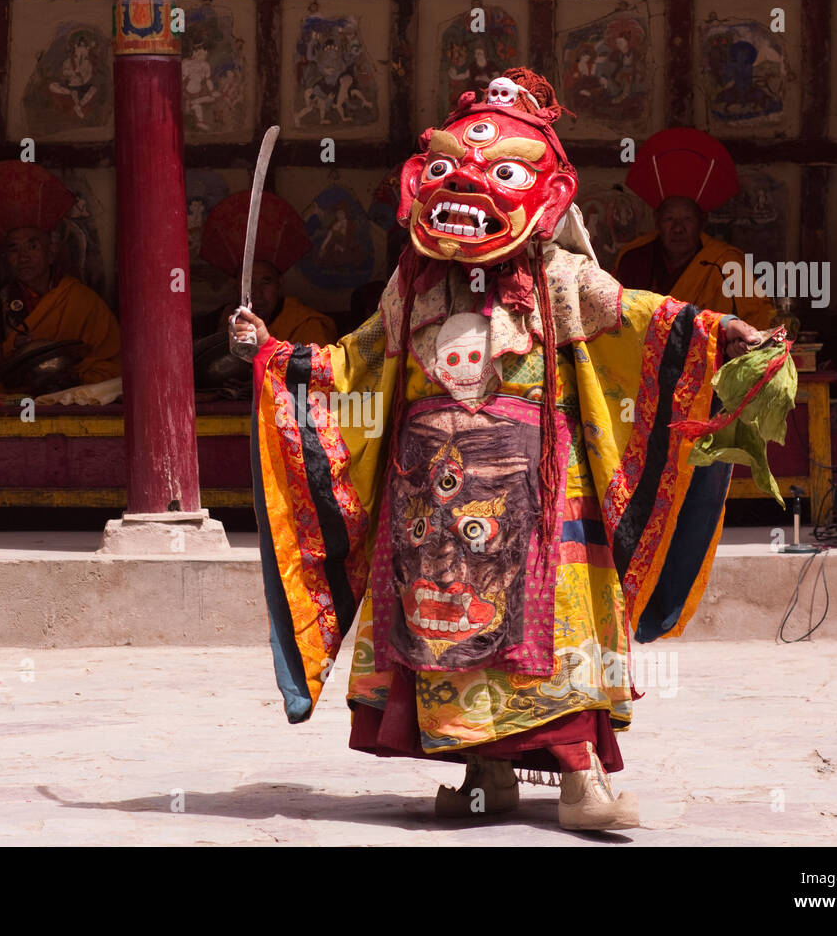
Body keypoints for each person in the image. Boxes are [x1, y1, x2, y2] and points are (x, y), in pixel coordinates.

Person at [231, 70, 777, 831]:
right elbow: (355, 361)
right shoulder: (411, 285)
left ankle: (583, 780)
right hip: (429, 499)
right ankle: (484, 775)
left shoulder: (560, 275)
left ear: (547, 193)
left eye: (503, 174)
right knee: (445, 624)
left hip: (541, 489)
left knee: (562, 628)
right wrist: (275, 356)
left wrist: (722, 334)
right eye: (449, 170)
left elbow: (641, 317)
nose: (469, 188)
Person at [0, 161, 120, 399]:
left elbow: (112, 364)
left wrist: (70, 373)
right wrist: (10, 348)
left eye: (33, 246)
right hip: (14, 394)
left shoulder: (82, 301)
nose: (23, 257)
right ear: (6, 258)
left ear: (51, 252)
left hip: (69, 390)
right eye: (13, 249)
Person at [615, 128, 773, 330]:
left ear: (702, 222)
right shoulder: (634, 257)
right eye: (669, 219)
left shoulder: (724, 264)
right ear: (657, 221)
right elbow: (612, 317)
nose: (678, 228)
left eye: (687, 219)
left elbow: (756, 324)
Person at [214, 260, 337, 348]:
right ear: (235, 286)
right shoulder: (223, 319)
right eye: (248, 283)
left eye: (266, 282)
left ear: (279, 284)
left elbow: (315, 372)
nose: (257, 293)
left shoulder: (306, 324)